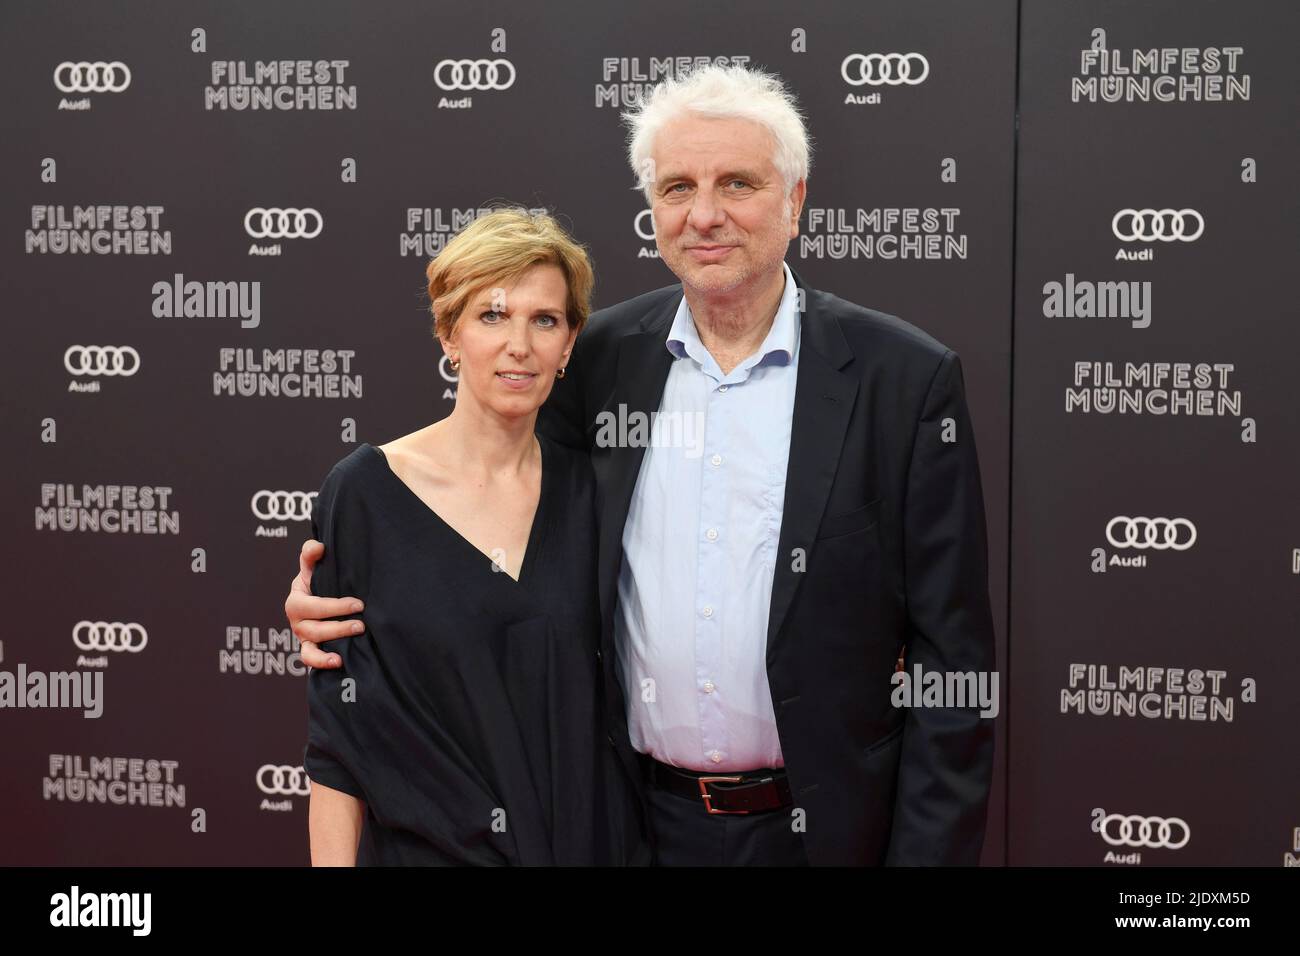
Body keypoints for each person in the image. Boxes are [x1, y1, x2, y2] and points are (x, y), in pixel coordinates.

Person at [289, 65, 996, 866]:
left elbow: (954, 670)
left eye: (737, 183)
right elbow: (476, 508)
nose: (704, 214)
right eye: (677, 187)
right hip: (630, 829)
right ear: (652, 208)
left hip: (830, 832)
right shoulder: (597, 364)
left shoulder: (902, 380)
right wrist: (340, 599)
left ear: (795, 200)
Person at [301, 208, 646, 865]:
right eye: (492, 316)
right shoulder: (366, 493)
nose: (519, 344)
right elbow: (339, 737)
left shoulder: (597, 492)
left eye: (544, 320)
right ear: (449, 334)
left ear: (569, 344)